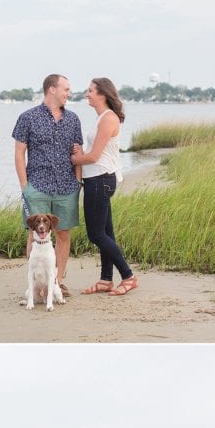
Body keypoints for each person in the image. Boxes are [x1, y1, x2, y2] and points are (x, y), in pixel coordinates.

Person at [12, 75, 83, 298]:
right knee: (34, 234)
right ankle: (36, 285)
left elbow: (77, 152)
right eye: (66, 89)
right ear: (52, 89)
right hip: (37, 186)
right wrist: (25, 186)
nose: (69, 93)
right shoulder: (28, 117)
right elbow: (19, 153)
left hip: (66, 187)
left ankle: (57, 282)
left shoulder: (73, 119)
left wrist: (78, 182)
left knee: (63, 234)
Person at [72, 79, 138, 296]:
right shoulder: (102, 117)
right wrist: (81, 154)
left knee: (96, 234)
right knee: (106, 233)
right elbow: (94, 154)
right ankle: (106, 279)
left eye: (90, 90)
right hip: (97, 179)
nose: (87, 94)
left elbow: (93, 157)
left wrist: (74, 159)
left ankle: (128, 276)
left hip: (101, 179)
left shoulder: (108, 118)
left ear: (102, 94)